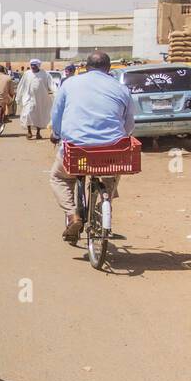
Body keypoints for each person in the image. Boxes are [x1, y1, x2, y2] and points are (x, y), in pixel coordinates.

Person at [49, 52, 137, 243]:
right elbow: (129, 125)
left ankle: (72, 215)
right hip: (110, 152)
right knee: (111, 174)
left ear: (86, 67)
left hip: (76, 149)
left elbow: (57, 115)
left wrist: (56, 133)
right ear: (109, 68)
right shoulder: (121, 88)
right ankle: (104, 204)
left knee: (59, 178)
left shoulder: (70, 83)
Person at [17, 58, 54, 140]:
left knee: (39, 115)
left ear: (38, 66)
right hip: (28, 98)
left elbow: (52, 84)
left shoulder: (45, 74)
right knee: (27, 113)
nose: (33, 67)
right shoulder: (27, 74)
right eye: (31, 65)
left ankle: (38, 133)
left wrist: (56, 93)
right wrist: (19, 96)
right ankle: (29, 131)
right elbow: (21, 85)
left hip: (40, 99)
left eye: (34, 65)